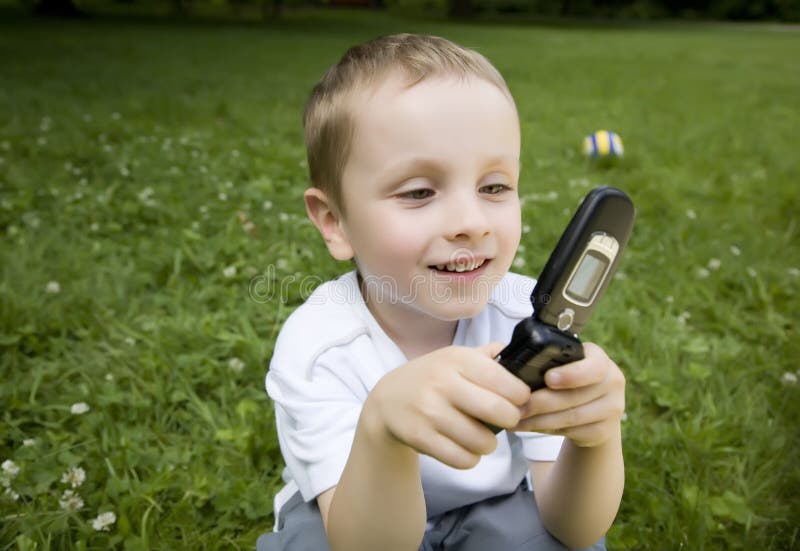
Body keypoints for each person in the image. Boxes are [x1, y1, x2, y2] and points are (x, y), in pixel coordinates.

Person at [258, 33, 625, 551]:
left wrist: (596, 439)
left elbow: (575, 530)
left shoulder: (525, 318)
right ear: (335, 221)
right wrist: (382, 430)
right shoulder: (320, 348)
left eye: (494, 187)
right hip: (349, 514)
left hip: (493, 506)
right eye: (418, 192)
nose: (471, 222)